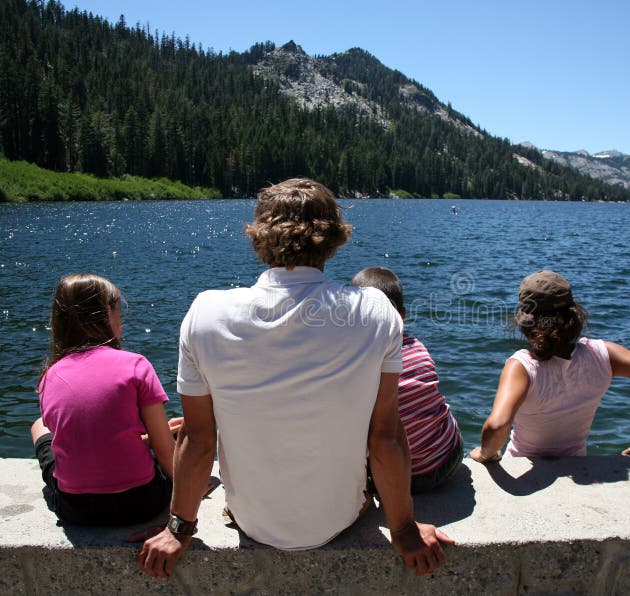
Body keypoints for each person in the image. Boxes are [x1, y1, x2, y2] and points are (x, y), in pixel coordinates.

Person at [138, 178, 453, 579]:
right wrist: (404, 528)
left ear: (259, 238)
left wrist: (178, 528)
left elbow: (199, 441)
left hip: (251, 520)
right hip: (341, 517)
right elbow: (385, 436)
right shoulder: (376, 311)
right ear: (334, 239)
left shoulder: (206, 313)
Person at [469, 270, 630, 463]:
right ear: (573, 315)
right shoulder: (603, 354)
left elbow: (497, 426)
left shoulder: (522, 366)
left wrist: (485, 454)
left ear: (527, 322)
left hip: (522, 464)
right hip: (577, 463)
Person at [31, 273, 179, 525]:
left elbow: (76, 438)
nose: (122, 318)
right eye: (118, 309)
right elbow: (166, 453)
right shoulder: (136, 365)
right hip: (142, 502)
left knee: (38, 426)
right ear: (106, 316)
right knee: (174, 431)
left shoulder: (49, 376)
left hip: (76, 509)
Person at [352, 267, 463, 493]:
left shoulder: (356, 364)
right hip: (448, 461)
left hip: (399, 479)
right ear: (402, 315)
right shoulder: (417, 346)